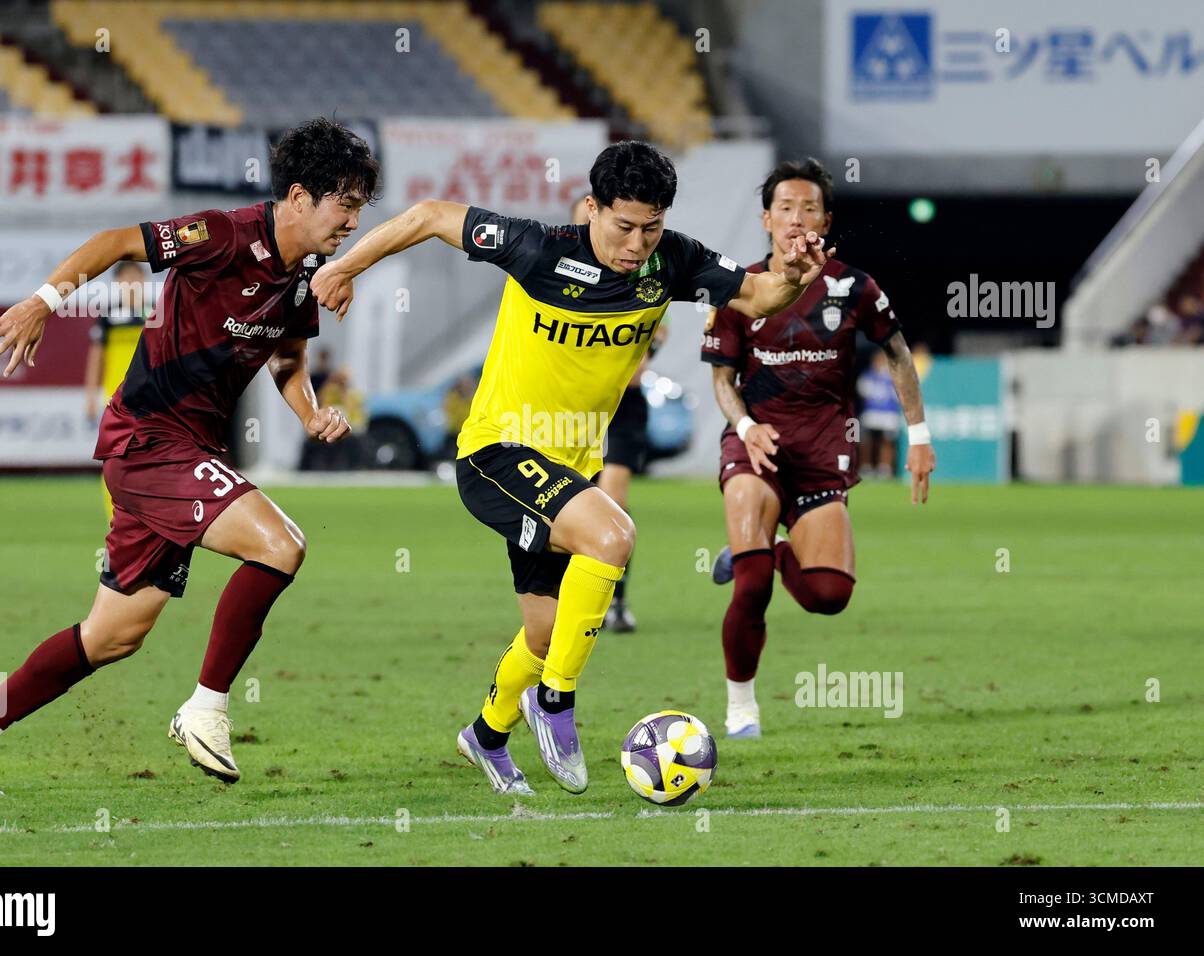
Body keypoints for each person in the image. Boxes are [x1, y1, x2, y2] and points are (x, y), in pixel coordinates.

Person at [311, 140, 829, 795]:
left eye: (652, 227)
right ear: (592, 208)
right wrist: (345, 267)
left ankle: (487, 736)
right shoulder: (540, 248)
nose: (638, 243)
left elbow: (758, 298)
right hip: (498, 452)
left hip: (569, 471)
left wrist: (795, 273)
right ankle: (556, 701)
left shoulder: (674, 261)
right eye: (624, 226)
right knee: (612, 536)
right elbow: (430, 216)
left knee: (544, 630)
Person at [0, 118, 375, 796]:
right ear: (297, 197)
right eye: (343, 202)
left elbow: (288, 356)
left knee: (113, 634)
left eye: (359, 205)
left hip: (188, 452)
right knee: (281, 545)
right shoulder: (224, 234)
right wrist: (44, 302)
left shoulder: (307, 275)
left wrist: (311, 411)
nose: (352, 219)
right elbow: (116, 243)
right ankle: (206, 709)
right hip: (147, 442)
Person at [704, 158, 935, 739]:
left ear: (825, 221)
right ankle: (741, 706)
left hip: (824, 450)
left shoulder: (854, 287)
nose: (796, 219)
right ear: (765, 219)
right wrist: (746, 425)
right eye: (785, 208)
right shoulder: (739, 290)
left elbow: (898, 353)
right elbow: (722, 381)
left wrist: (919, 436)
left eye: (809, 208)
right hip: (756, 446)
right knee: (752, 588)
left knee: (830, 595)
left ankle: (767, 551)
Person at [569, 194, 670, 633]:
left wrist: (643, 353)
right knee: (565, 511)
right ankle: (564, 604)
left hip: (621, 407)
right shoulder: (559, 274)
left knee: (614, 505)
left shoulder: (643, 272)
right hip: (569, 408)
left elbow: (659, 327)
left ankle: (615, 604)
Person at [84, 259, 151, 516]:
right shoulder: (109, 317)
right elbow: (95, 357)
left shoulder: (155, 314)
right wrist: (90, 395)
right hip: (115, 398)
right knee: (113, 458)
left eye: (136, 279)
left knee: (150, 456)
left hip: (150, 398)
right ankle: (114, 514)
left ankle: (147, 512)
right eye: (126, 280)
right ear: (119, 284)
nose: (132, 285)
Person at [857, 349, 901, 477]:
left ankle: (884, 467)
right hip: (871, 413)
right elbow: (863, 393)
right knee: (866, 440)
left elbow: (898, 395)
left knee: (887, 441)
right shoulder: (868, 375)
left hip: (888, 414)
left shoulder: (893, 377)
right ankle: (865, 467)